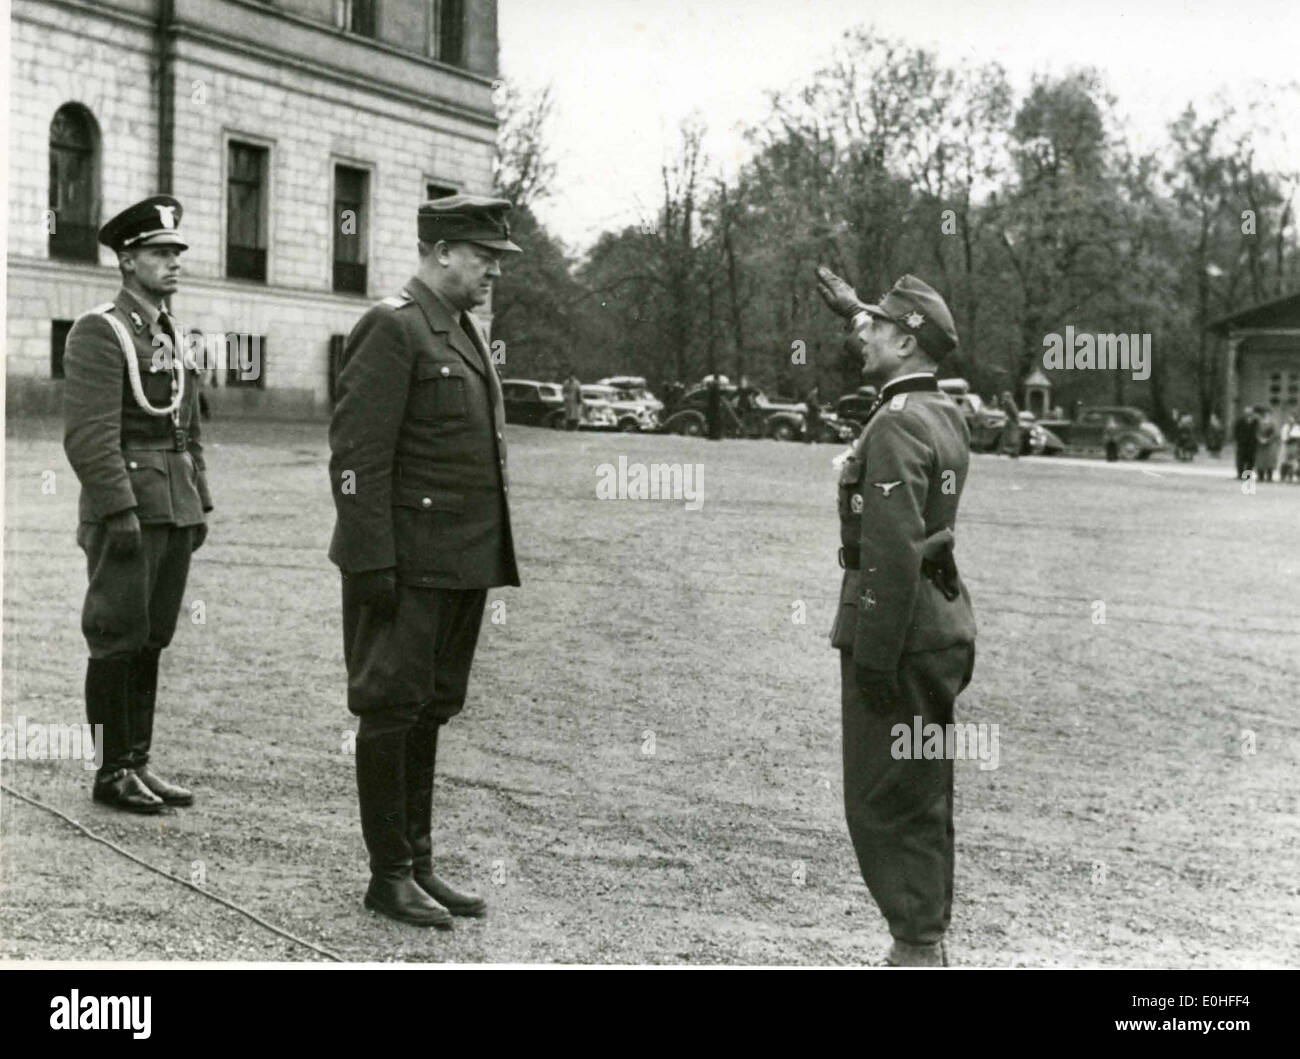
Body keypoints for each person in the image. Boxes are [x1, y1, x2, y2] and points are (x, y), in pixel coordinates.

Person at [328, 194, 522, 928]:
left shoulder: (461, 331)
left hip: (458, 562)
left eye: (498, 260)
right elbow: (355, 457)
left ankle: (419, 861)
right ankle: (388, 875)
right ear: (441, 251)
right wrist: (372, 561)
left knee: (430, 710)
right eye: (484, 257)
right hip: (405, 564)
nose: (493, 272)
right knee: (390, 706)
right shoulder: (393, 326)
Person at [816, 267, 976, 967]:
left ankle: (914, 949)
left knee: (883, 799)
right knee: (923, 787)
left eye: (879, 327)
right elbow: (894, 340)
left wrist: (874, 656)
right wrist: (856, 309)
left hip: (899, 635)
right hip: (939, 627)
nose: (865, 336)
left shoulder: (895, 427)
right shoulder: (938, 411)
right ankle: (924, 939)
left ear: (908, 343)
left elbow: (888, 554)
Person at [62, 195, 212, 814]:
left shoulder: (169, 329)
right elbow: (89, 434)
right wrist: (118, 509)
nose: (173, 262)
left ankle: (138, 761)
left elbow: (189, 423)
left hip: (172, 502)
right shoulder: (101, 330)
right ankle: (110, 770)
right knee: (115, 637)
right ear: (127, 260)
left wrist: (199, 498)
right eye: (159, 252)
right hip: (129, 505)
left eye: (176, 252)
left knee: (152, 637)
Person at [1233, 407, 1258, 479]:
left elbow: (1257, 431)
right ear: (1245, 413)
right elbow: (1236, 431)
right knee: (1240, 460)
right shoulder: (1240, 421)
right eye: (1247, 413)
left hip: (1252, 444)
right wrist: (1239, 439)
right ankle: (1240, 474)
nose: (1248, 414)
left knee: (1251, 460)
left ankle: (1247, 475)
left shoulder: (1255, 422)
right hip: (1242, 444)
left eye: (1250, 413)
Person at [1256, 407, 1279, 483]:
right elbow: (1257, 432)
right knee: (1260, 460)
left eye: (1268, 414)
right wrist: (1260, 439)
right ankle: (1260, 476)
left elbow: (1275, 433)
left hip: (1270, 445)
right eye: (1265, 414)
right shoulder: (1259, 423)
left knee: (1270, 461)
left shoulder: (1273, 423)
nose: (1266, 415)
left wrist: (1268, 440)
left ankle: (1269, 476)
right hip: (1261, 445)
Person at [999, 391, 1021, 457]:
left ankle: (1014, 453)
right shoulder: (1009, 403)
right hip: (1011, 421)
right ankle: (1013, 452)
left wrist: (1016, 420)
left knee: (1013, 437)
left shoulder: (1009, 403)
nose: (1003, 397)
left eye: (1005, 396)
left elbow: (1014, 413)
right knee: (1011, 437)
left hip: (1012, 422)